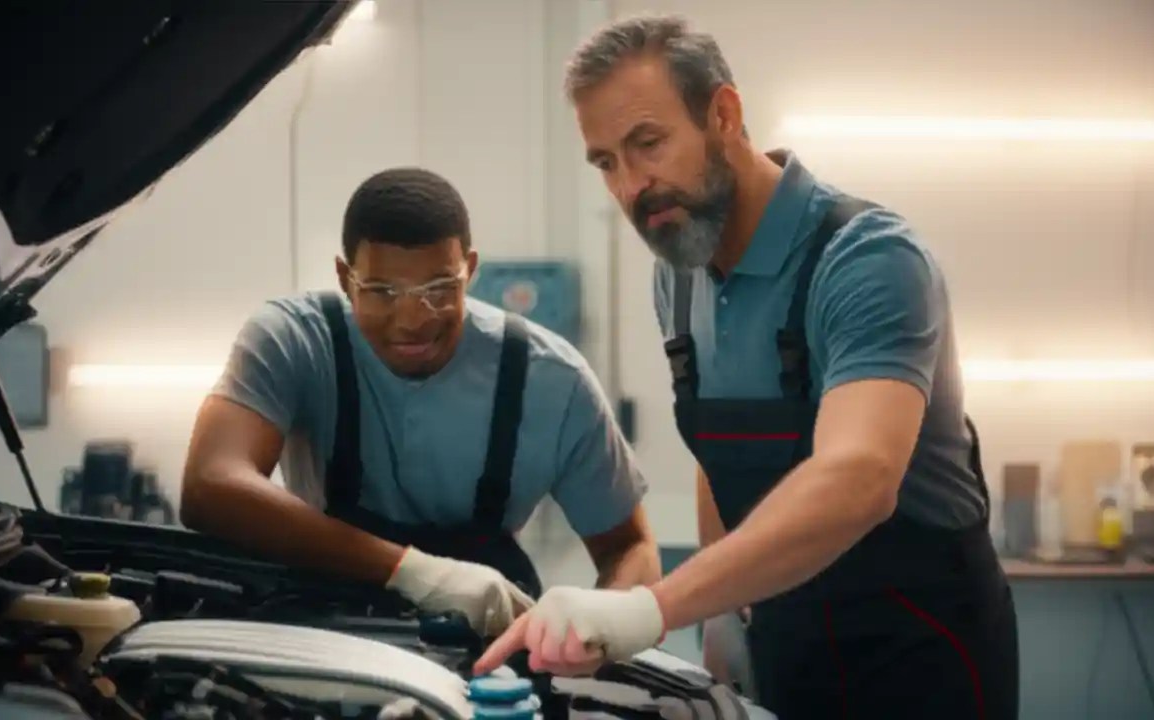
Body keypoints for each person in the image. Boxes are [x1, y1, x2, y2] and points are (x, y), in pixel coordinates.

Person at [474, 15, 1019, 719]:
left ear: (723, 114)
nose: (633, 186)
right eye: (606, 162)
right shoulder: (679, 272)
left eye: (648, 143)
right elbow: (720, 455)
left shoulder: (868, 260)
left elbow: (858, 479)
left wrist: (654, 608)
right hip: (788, 640)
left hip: (921, 647)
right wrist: (726, 616)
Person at [181, 167, 660, 639]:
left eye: (438, 289)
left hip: (484, 662)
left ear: (469, 271)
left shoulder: (554, 380)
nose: (412, 319)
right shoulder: (295, 340)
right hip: (323, 641)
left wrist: (595, 632)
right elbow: (209, 487)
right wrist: (418, 574)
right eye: (382, 291)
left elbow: (631, 547)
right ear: (345, 278)